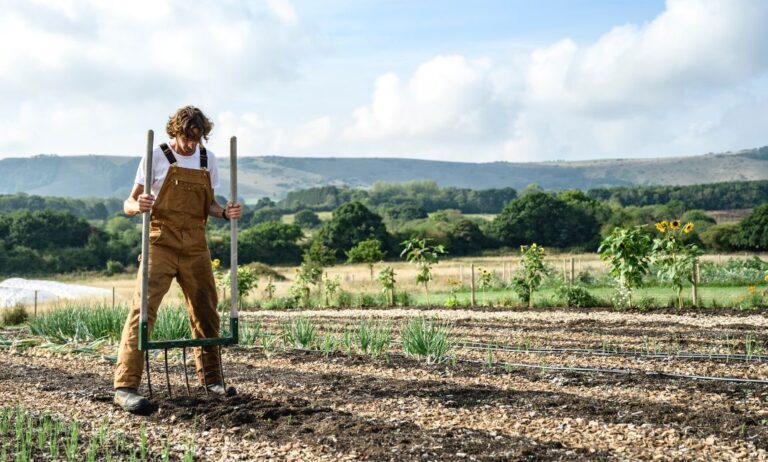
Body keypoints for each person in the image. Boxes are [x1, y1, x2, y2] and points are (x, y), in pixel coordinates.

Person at [113, 106, 242, 413]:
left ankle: (212, 380)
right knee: (143, 311)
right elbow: (128, 202)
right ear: (175, 132)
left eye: (197, 139)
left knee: (206, 312)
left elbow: (209, 204)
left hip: (196, 245)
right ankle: (125, 387)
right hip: (160, 243)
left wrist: (225, 212)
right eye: (186, 138)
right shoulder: (156, 156)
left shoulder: (208, 159)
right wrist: (138, 205)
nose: (191, 145)